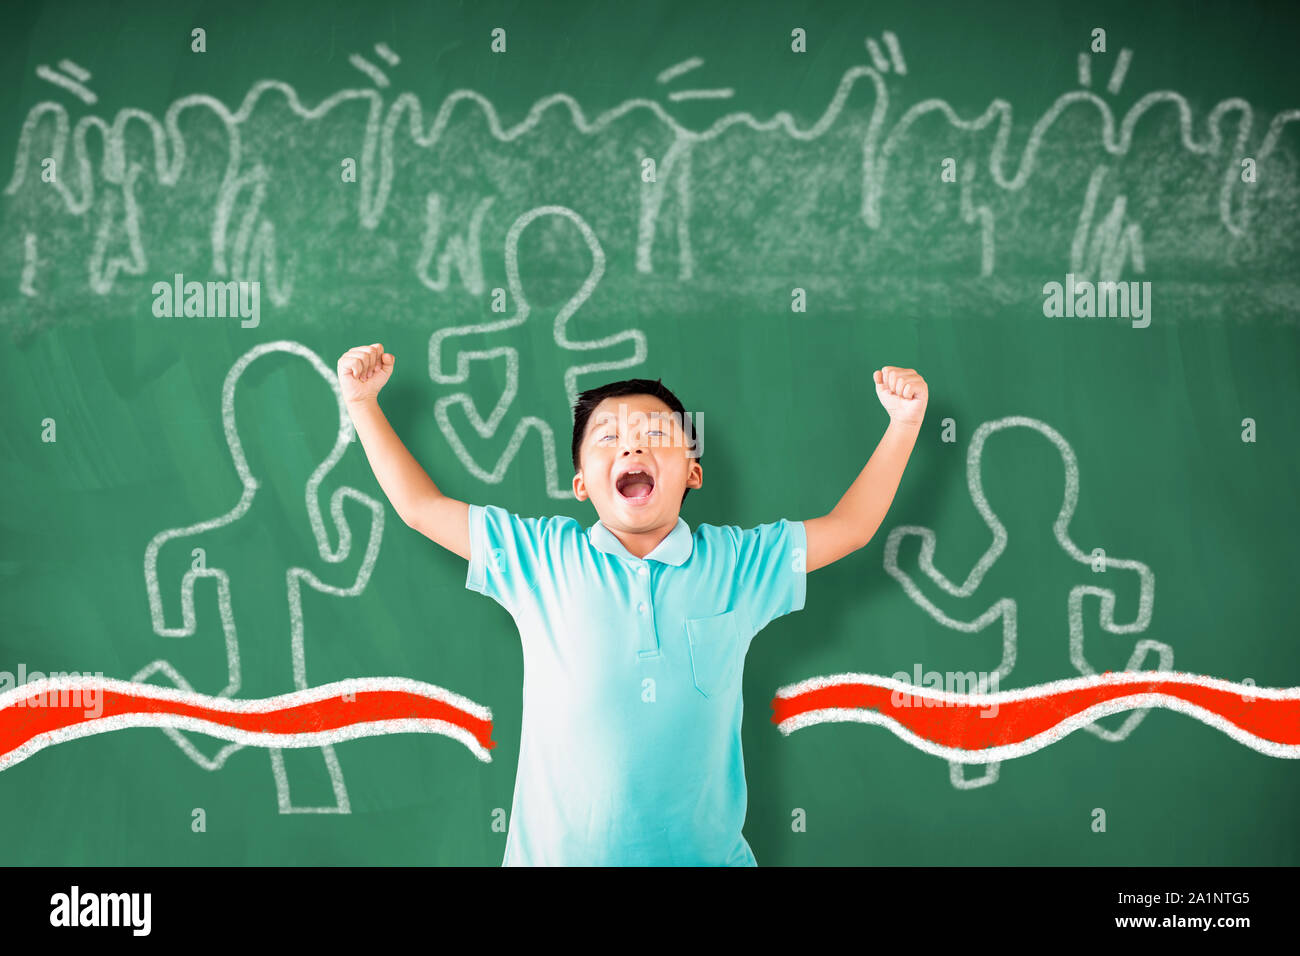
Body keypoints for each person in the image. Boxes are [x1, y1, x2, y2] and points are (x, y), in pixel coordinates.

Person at [337, 342, 927, 865]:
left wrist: (904, 424)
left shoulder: (742, 564)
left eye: (654, 436)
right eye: (609, 440)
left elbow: (850, 526)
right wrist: (363, 405)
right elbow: (420, 507)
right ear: (581, 483)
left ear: (693, 472)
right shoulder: (539, 556)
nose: (631, 449)